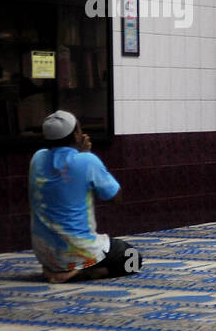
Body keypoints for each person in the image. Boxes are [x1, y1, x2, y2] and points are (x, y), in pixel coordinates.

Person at [29, 110, 139, 283]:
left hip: (45, 255)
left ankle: (59, 270)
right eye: (80, 130)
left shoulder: (37, 158)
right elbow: (116, 197)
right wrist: (85, 155)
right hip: (80, 251)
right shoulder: (87, 160)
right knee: (133, 259)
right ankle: (80, 273)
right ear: (76, 136)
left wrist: (79, 154)